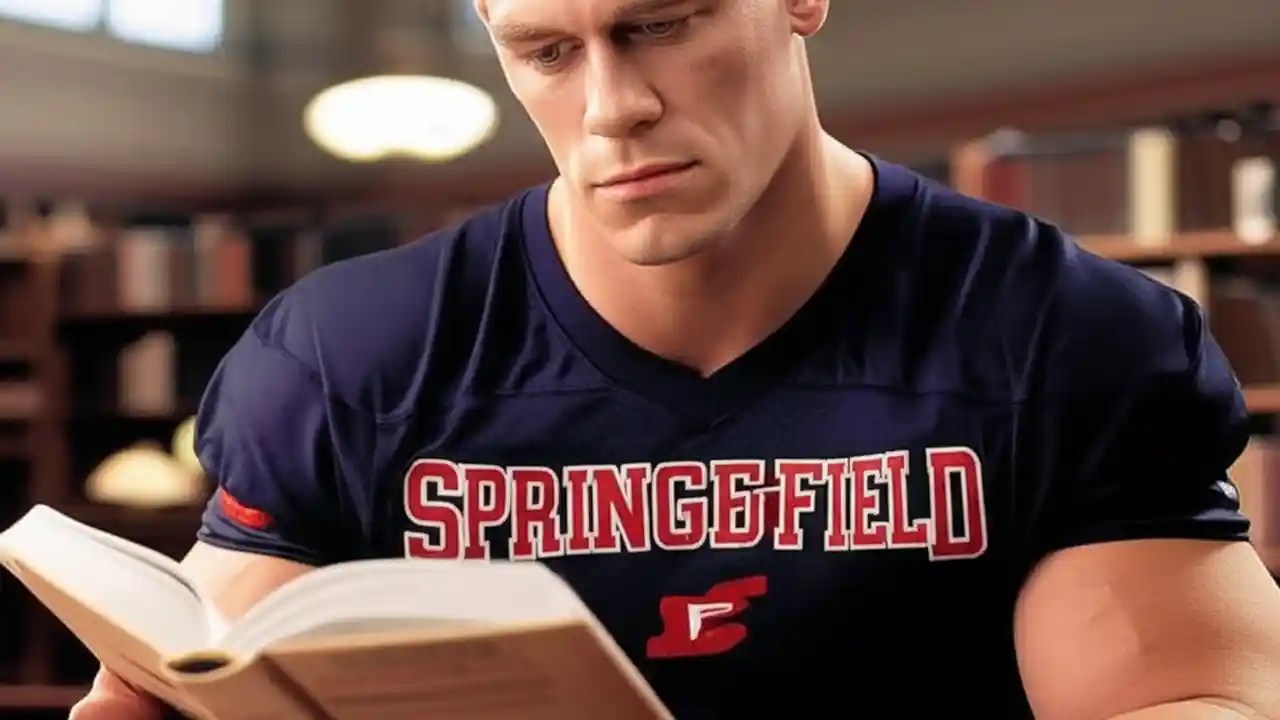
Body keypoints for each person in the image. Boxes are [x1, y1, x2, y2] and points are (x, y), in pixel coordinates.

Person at [71, 0, 1280, 717]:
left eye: (659, 23)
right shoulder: (345, 357)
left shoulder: (1062, 337)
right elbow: (223, 678)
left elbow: (1183, 696)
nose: (612, 106)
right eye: (546, 50)